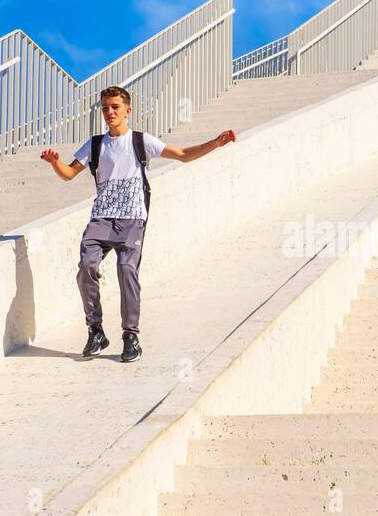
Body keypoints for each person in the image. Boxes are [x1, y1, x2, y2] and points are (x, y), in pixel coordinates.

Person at [39, 85, 236, 361]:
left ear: (127, 111)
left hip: (132, 219)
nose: (109, 112)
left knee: (126, 269)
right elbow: (70, 173)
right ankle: (95, 330)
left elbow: (182, 154)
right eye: (105, 107)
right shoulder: (95, 144)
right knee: (86, 267)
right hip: (101, 218)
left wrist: (214, 143)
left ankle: (130, 336)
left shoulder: (141, 141)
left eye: (115, 107)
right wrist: (54, 162)